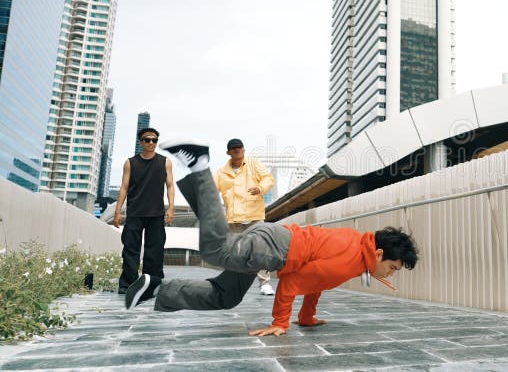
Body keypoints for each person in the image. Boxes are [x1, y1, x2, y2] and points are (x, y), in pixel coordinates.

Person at [125, 139, 419, 337]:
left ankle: (156, 289)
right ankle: (200, 166)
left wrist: (306, 318)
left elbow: (316, 283)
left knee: (225, 296)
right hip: (275, 248)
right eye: (393, 267)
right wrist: (281, 323)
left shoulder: (357, 247)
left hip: (272, 242)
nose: (389, 273)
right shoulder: (353, 260)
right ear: (379, 254)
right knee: (215, 252)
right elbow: (293, 284)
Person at [114, 127, 175, 294]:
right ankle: (127, 285)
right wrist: (118, 211)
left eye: (154, 140)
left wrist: (171, 208)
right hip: (134, 212)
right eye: (147, 140)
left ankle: (151, 285)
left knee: (154, 252)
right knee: (130, 250)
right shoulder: (130, 162)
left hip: (156, 213)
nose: (151, 143)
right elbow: (124, 187)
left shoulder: (165, 162)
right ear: (141, 142)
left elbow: (170, 186)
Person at [213, 138, 276, 295]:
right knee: (234, 253)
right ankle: (232, 285)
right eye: (233, 148)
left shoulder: (254, 164)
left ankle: (265, 283)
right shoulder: (221, 173)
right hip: (234, 219)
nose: (237, 150)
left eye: (239, 147)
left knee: (261, 250)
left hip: (254, 215)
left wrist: (260, 188)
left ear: (244, 149)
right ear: (228, 152)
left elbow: (269, 179)